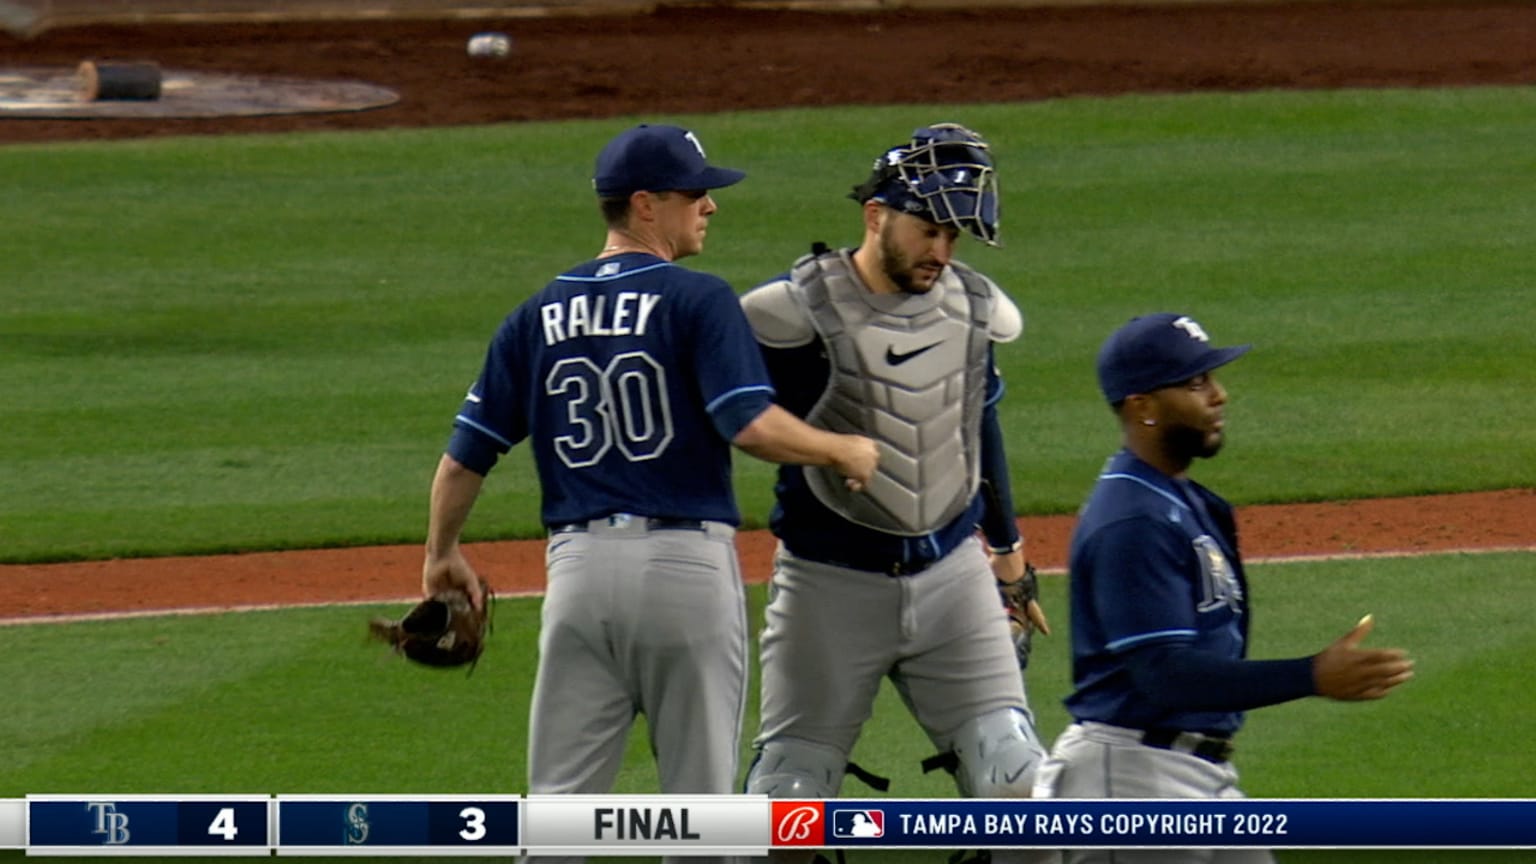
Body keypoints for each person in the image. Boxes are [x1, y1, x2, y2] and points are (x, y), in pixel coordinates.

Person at [419, 123, 880, 864]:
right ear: (644, 205)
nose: (710, 206)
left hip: (575, 582)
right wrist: (841, 448)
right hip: (681, 575)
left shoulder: (535, 314)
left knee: (557, 827)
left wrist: (442, 554)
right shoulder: (697, 301)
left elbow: (462, 460)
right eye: (695, 193)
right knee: (702, 828)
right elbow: (749, 425)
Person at [739, 123, 1052, 864]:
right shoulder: (789, 317)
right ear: (876, 213)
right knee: (785, 811)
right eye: (929, 228)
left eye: (954, 235)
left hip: (953, 582)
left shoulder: (974, 309)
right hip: (828, 586)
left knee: (1024, 793)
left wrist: (1009, 562)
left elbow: (981, 429)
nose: (942, 252)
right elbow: (738, 422)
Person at [1033, 312, 1416, 864]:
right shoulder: (1132, 521)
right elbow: (1162, 674)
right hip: (1131, 787)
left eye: (1211, 379)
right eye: (1194, 384)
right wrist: (1311, 674)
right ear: (1142, 406)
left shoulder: (1181, 501)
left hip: (1195, 776)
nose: (1218, 395)